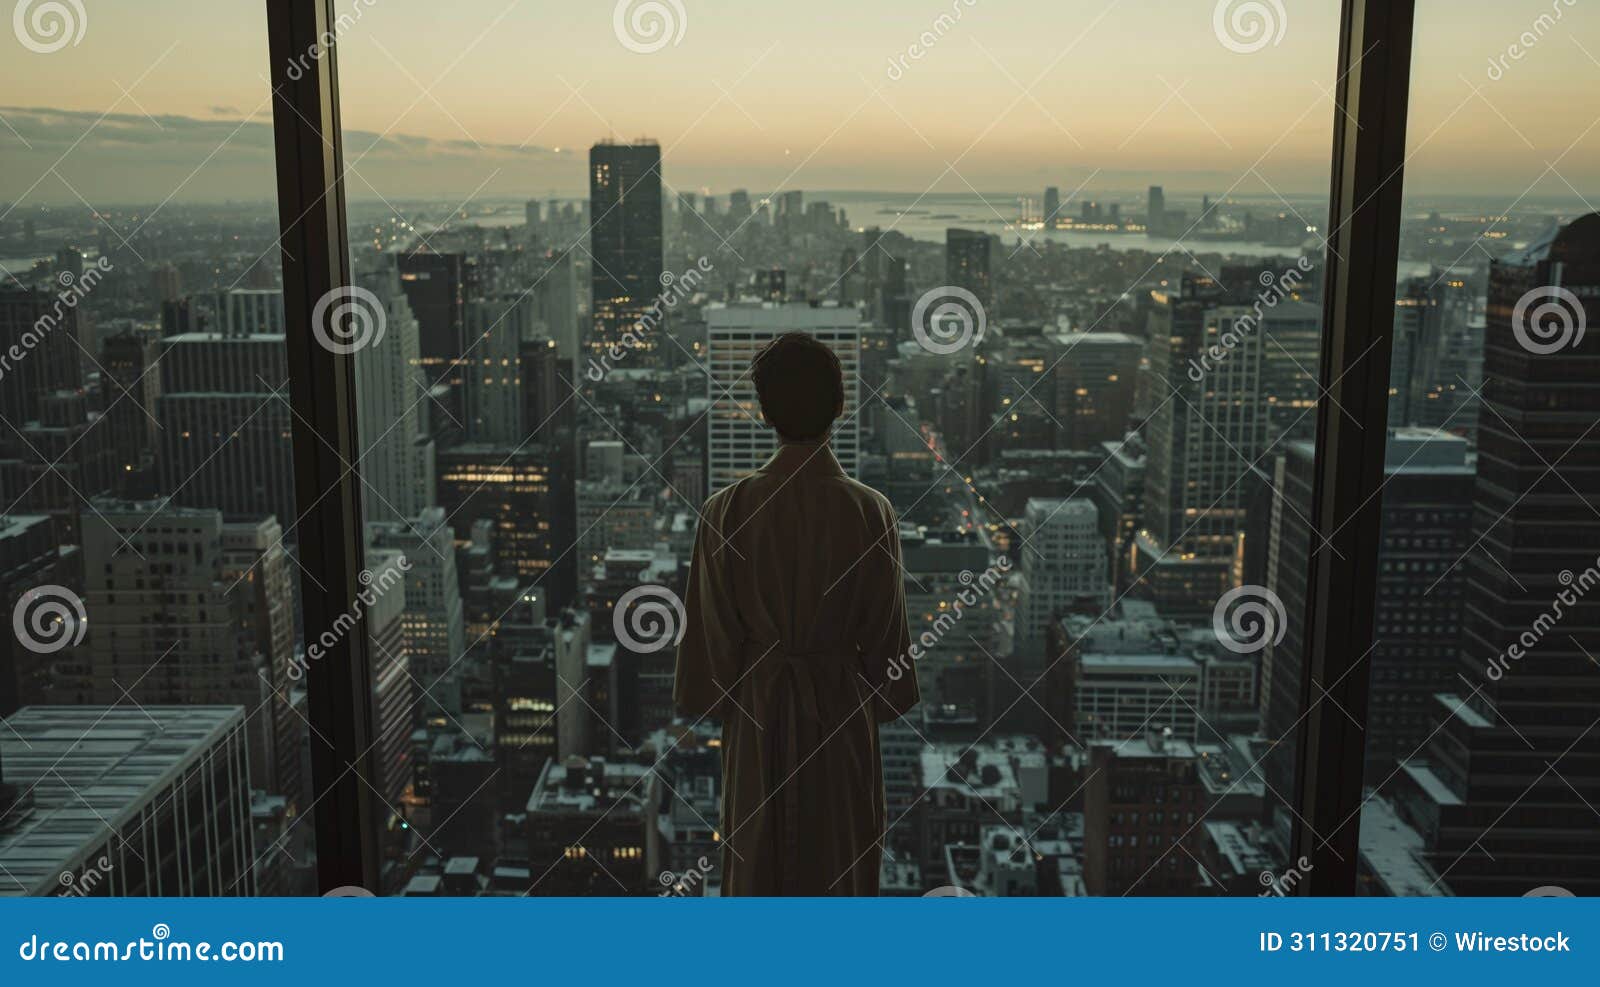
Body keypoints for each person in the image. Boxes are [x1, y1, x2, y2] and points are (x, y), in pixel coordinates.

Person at [674, 331, 919, 895]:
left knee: (758, 870)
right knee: (840, 870)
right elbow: (891, 669)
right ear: (839, 407)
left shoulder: (725, 511)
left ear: (763, 413)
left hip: (760, 716)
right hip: (839, 720)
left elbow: (706, 671)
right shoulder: (869, 511)